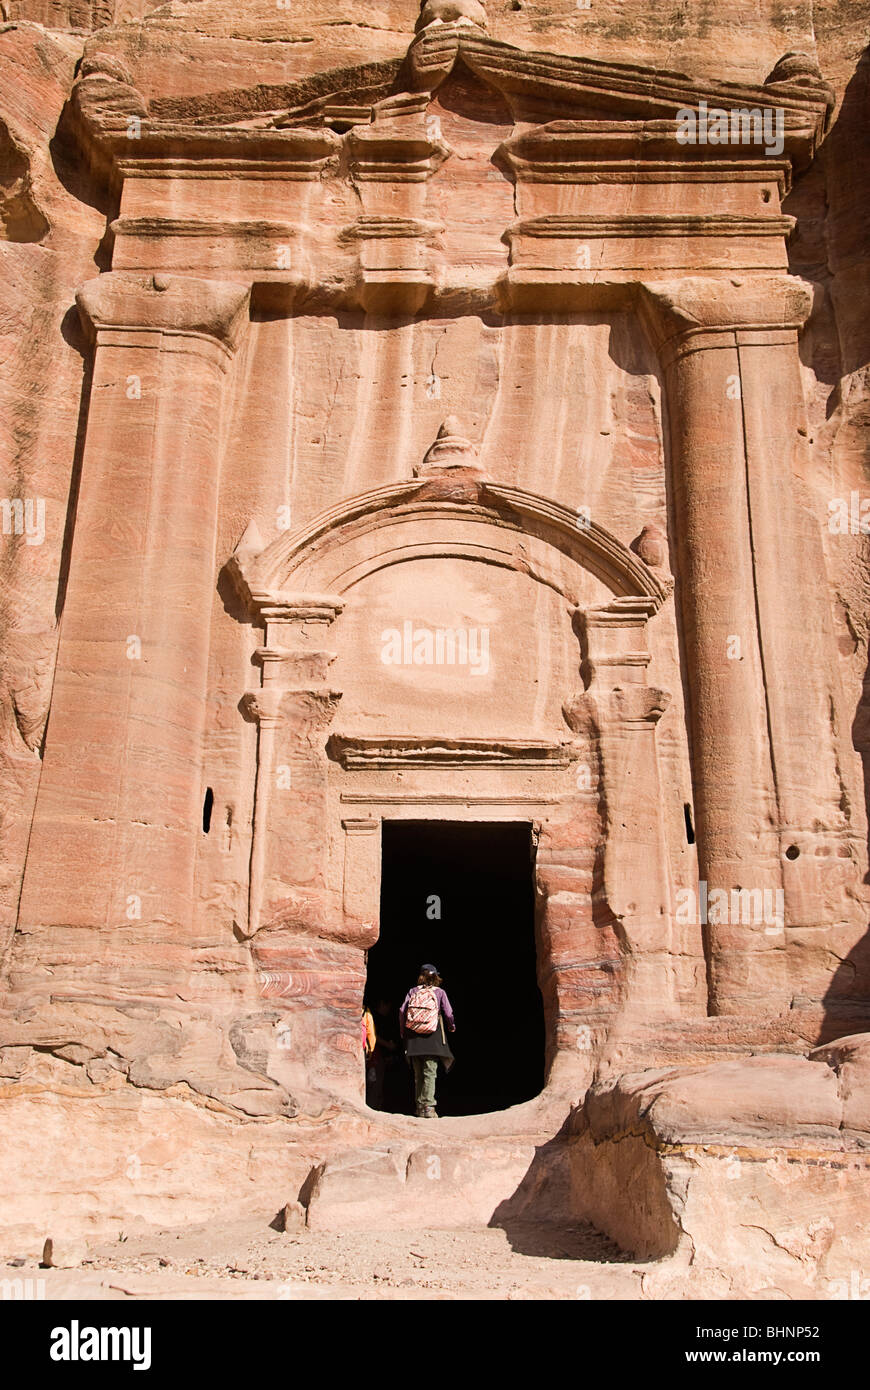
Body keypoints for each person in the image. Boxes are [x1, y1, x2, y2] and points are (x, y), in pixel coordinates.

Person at [399, 964, 455, 1118]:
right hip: (432, 1035)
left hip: (413, 1037)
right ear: (436, 977)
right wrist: (451, 1026)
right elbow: (448, 1013)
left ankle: (418, 1107)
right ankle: (428, 1107)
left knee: (418, 1074)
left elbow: (402, 1011)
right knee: (430, 1072)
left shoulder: (413, 991)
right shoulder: (440, 993)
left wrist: (403, 1031)